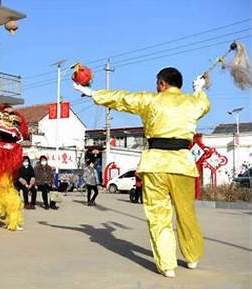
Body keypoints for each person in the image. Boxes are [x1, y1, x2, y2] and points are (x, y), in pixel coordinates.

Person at [74, 67, 209, 278]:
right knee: (186, 213)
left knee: (159, 215)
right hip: (182, 163)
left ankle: (167, 266)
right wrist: (199, 89)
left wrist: (93, 93)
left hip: (156, 163)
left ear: (162, 84)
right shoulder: (193, 102)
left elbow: (123, 98)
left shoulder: (151, 100)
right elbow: (204, 105)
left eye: (157, 83)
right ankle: (192, 257)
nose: (156, 86)